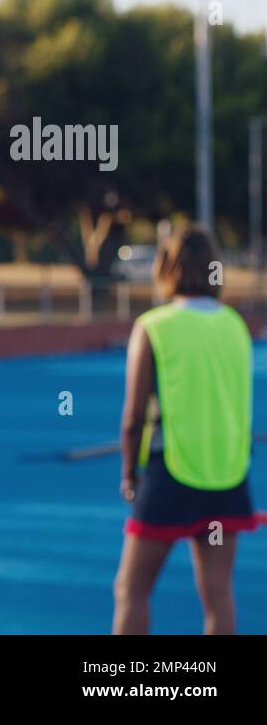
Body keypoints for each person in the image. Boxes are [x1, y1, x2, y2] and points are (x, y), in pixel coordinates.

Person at [113, 225, 257, 635]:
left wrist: (129, 475)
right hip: (227, 475)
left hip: (171, 474)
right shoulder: (235, 326)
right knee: (218, 594)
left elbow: (133, 418)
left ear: (167, 268)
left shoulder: (155, 326)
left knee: (132, 591)